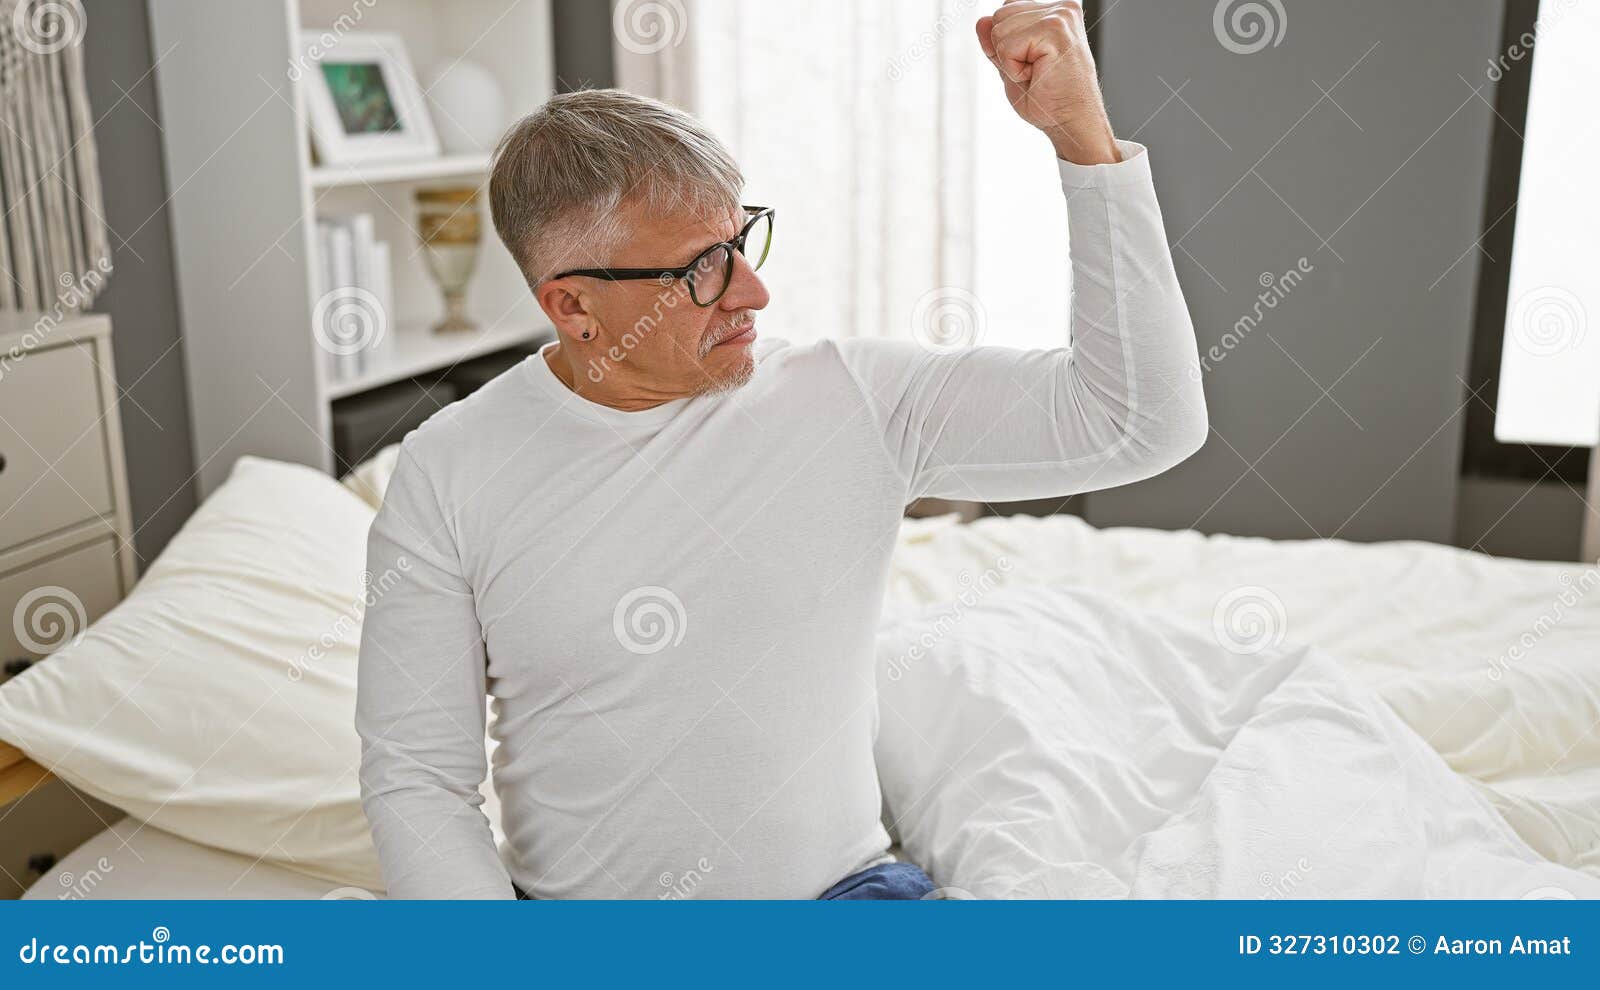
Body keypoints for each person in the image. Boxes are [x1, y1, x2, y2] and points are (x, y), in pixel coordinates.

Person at [356, 0, 1207, 899]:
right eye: (701, 270)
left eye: (740, 240)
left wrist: (1082, 137)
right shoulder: (449, 468)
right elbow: (417, 775)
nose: (753, 291)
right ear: (572, 306)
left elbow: (1138, 422)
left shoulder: (853, 397)